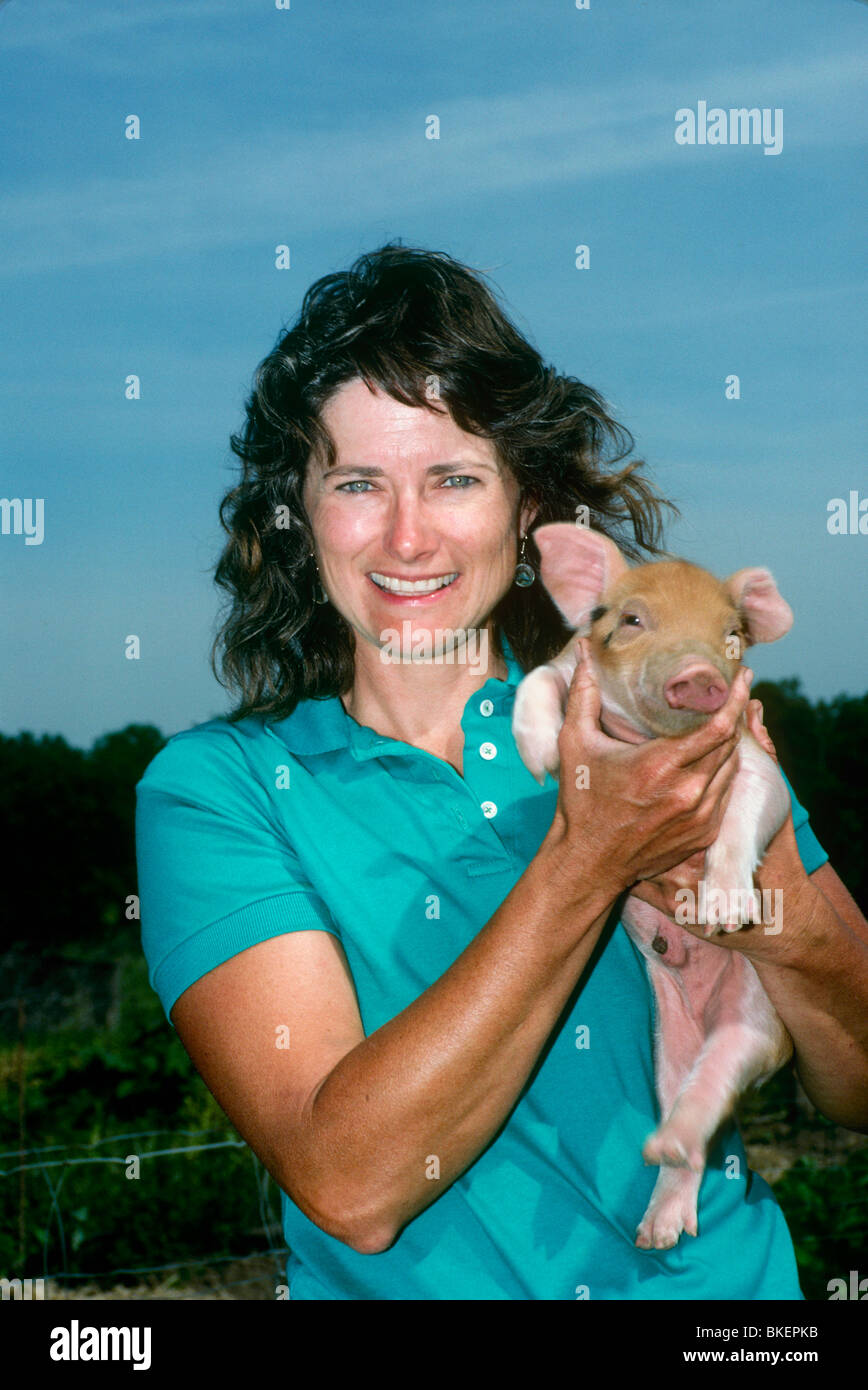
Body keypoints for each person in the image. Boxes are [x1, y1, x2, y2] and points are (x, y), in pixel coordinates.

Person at [136, 244, 868, 1301]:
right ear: (298, 513)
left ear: (526, 507)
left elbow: (856, 1087)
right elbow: (351, 1183)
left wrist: (773, 914)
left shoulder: (656, 713)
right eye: (355, 482)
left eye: (453, 479)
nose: (406, 535)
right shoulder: (219, 791)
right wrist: (590, 857)